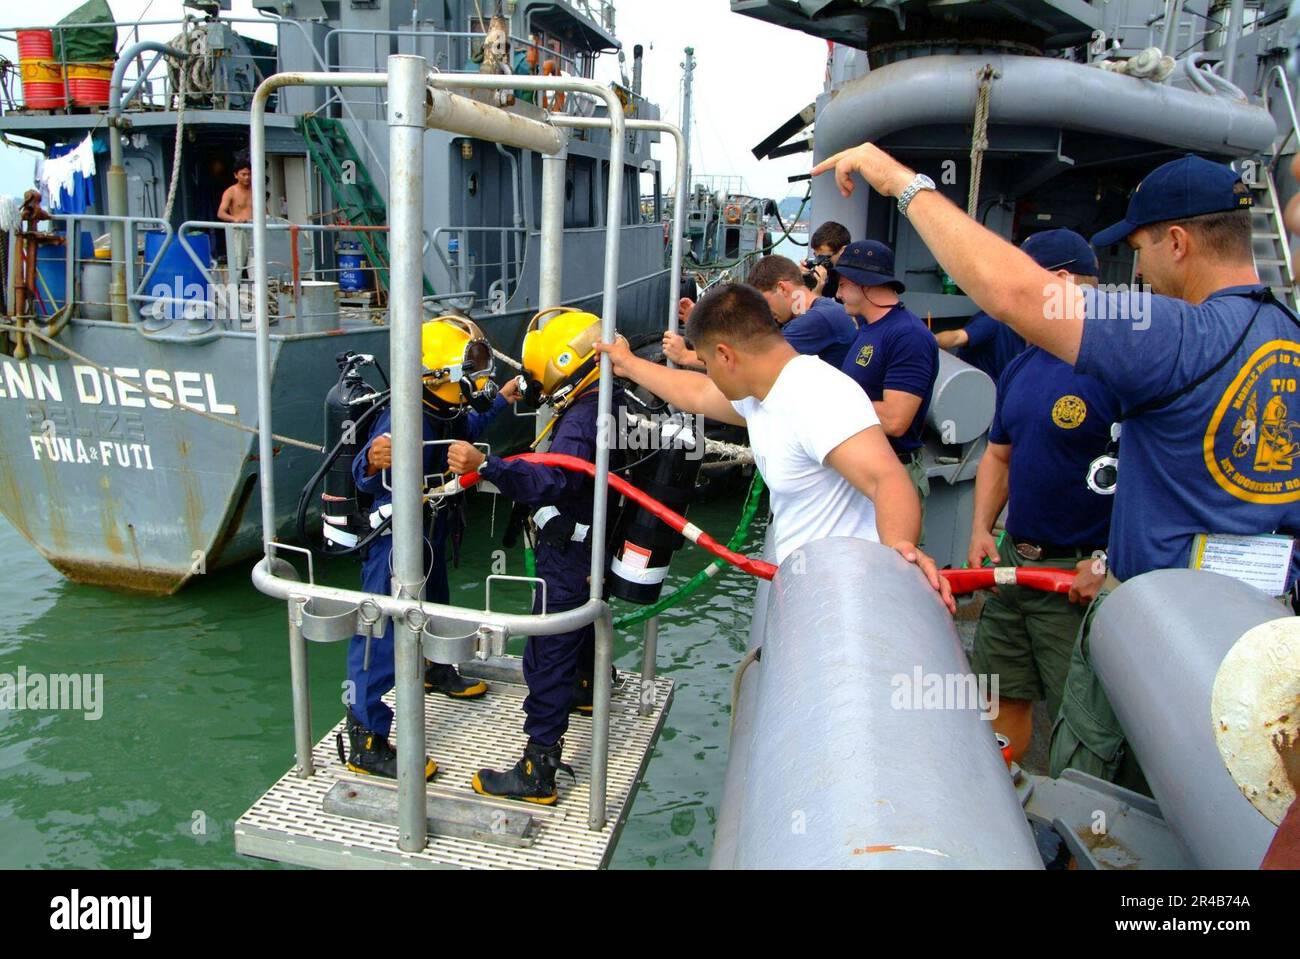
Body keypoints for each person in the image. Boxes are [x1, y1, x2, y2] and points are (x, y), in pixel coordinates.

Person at [813, 144, 1300, 793]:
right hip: (1255, 641)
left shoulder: (1180, 336)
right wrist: (1115, 558)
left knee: (1098, 795)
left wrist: (896, 179)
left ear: (1177, 241)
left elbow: (1014, 293)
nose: (1142, 267)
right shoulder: (1287, 334)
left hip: (1160, 645)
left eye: (1143, 246)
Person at [596, 283, 955, 606]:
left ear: (725, 355)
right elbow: (700, 393)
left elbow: (888, 480)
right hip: (809, 586)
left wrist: (899, 555)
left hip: (847, 594)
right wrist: (629, 364)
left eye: (705, 361)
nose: (706, 371)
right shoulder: (762, 392)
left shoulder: (819, 396)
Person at [447, 309, 625, 805]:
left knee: (546, 653)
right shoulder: (608, 398)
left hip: (569, 550)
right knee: (579, 625)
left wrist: (488, 466)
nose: (541, 386)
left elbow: (555, 478)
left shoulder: (582, 418)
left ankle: (537, 768)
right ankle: (587, 685)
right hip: (594, 543)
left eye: (545, 375)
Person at [341, 317, 520, 780]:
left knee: (436, 603)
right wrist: (371, 459)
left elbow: (470, 422)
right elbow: (363, 469)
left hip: (434, 522)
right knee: (378, 627)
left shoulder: (447, 405)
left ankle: (433, 667)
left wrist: (500, 401)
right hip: (396, 536)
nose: (479, 376)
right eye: (472, 366)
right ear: (439, 371)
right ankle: (365, 736)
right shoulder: (404, 413)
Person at [965, 229, 1119, 763]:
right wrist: (983, 528)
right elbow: (999, 456)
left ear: (1057, 282)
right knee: (998, 696)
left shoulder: (1118, 369)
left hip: (1075, 581)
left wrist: (1107, 562)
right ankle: (1002, 806)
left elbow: (1151, 476)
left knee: (1084, 726)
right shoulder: (1022, 366)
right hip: (1014, 567)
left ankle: (1081, 841)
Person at [835, 239, 939, 504]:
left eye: (843, 284)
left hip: (892, 477)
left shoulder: (908, 336)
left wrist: (828, 402)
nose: (838, 294)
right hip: (863, 470)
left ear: (864, 283)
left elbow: (895, 420)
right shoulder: (870, 328)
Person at [665, 254, 858, 369]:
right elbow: (749, 334)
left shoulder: (815, 320)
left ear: (782, 288)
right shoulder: (813, 310)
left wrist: (685, 355)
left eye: (764, 302)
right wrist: (701, 320)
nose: (763, 310)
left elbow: (749, 362)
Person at [217, 152, 254, 280]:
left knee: (256, 265)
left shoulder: (256, 190)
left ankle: (256, 296)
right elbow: (221, 213)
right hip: (239, 230)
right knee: (237, 264)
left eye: (249, 174)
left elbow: (264, 210)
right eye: (243, 174)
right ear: (236, 175)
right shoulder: (230, 191)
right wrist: (235, 219)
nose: (247, 177)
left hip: (255, 230)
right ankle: (232, 296)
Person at [807, 220, 851, 301]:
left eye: (825, 258)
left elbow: (839, 313)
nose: (820, 264)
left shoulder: (854, 281)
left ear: (843, 251)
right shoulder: (822, 272)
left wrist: (816, 294)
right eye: (817, 257)